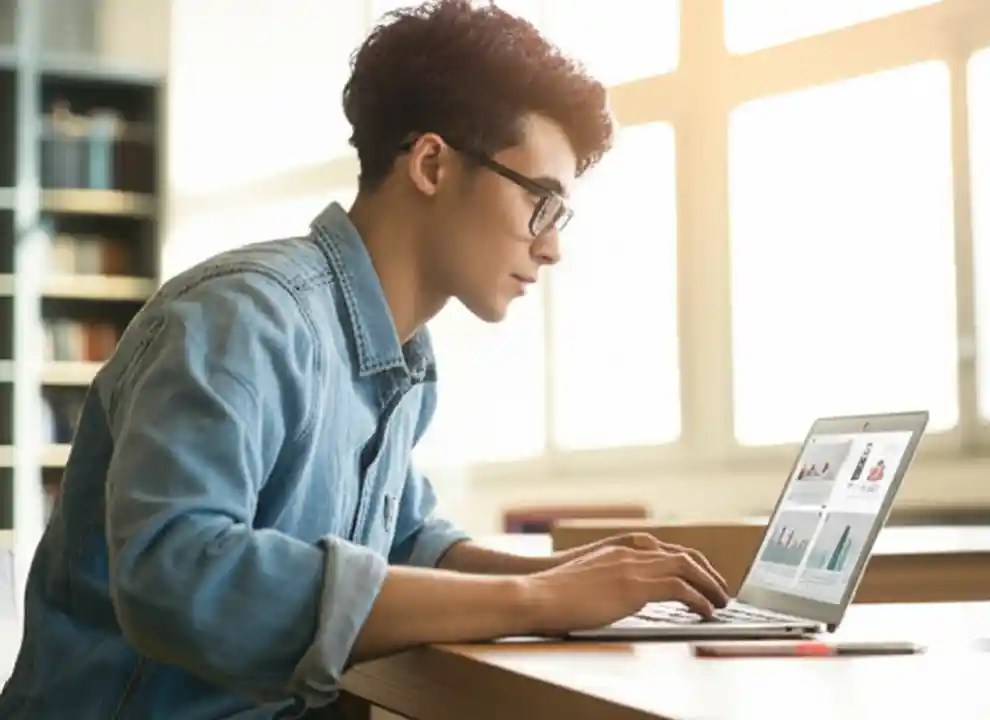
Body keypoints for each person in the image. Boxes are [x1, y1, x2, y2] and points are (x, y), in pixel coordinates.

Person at [0, 3, 729, 718]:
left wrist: (576, 576)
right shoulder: (243, 318)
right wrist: (537, 600)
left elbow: (410, 540)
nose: (552, 245)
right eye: (542, 202)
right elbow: (178, 574)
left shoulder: (404, 359)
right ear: (433, 164)